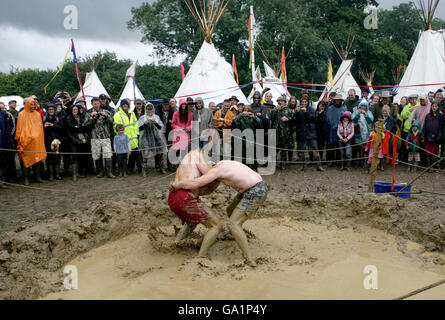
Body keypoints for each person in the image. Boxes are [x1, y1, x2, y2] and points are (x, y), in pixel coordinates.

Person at [171, 160, 268, 267]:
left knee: (233, 224)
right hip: (255, 187)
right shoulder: (223, 163)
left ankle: (249, 260)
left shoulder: (215, 170)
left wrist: (176, 185)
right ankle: (236, 234)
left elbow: (196, 183)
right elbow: (209, 189)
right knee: (230, 210)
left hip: (255, 190)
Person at [167, 149, 222, 259]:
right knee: (217, 225)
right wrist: (214, 167)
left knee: (192, 222)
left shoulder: (187, 160)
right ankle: (200, 258)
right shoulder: (197, 154)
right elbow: (209, 174)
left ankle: (175, 245)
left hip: (173, 197)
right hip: (184, 197)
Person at [15, 98, 47, 185]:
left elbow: (40, 129)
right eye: (31, 104)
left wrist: (38, 138)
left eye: (34, 104)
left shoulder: (37, 114)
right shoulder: (21, 114)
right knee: (25, 160)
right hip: (26, 142)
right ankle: (26, 179)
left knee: (37, 159)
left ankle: (37, 177)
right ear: (27, 105)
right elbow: (19, 129)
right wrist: (23, 140)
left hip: (37, 142)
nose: (33, 106)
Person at [294, 94, 324, 171]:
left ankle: (319, 166)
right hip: (301, 133)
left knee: (315, 150)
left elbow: (313, 119)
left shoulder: (312, 109)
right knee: (301, 151)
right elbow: (295, 120)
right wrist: (296, 113)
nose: (304, 103)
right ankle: (302, 166)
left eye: (305, 102)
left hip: (311, 133)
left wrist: (306, 112)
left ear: (308, 102)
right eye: (302, 102)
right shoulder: (298, 109)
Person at [89, 97, 115, 179]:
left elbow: (112, 121)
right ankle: (100, 172)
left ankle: (109, 172)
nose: (96, 105)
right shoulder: (89, 112)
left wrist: (106, 116)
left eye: (97, 103)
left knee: (108, 154)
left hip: (105, 136)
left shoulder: (106, 111)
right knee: (97, 155)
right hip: (95, 137)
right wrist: (91, 117)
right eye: (94, 103)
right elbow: (85, 124)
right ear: (92, 104)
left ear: (100, 103)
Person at [139, 103, 167, 175]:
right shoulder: (142, 118)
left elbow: (161, 127)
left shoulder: (156, 117)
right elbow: (139, 128)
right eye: (148, 109)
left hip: (156, 137)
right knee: (145, 153)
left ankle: (161, 168)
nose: (149, 110)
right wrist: (145, 124)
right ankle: (144, 169)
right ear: (146, 110)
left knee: (160, 152)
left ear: (153, 109)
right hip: (146, 137)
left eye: (151, 109)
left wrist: (155, 123)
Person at [64, 104, 91, 181]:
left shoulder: (81, 117)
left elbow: (86, 128)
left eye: (76, 109)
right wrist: (79, 127)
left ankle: (81, 172)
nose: (75, 111)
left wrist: (78, 127)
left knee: (82, 156)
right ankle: (74, 174)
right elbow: (71, 129)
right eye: (74, 110)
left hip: (82, 140)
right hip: (73, 140)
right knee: (74, 156)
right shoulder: (68, 118)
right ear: (71, 110)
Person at [114, 99, 141, 175]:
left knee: (133, 154)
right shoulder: (117, 115)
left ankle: (130, 168)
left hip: (133, 137)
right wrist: (121, 135)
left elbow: (136, 123)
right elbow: (116, 126)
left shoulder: (131, 113)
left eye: (126, 105)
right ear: (121, 106)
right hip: (123, 138)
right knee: (122, 156)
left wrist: (136, 132)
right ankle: (122, 170)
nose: (125, 106)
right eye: (124, 105)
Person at [270, 96, 295, 169]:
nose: (280, 102)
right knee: (274, 149)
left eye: (281, 101)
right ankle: (273, 164)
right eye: (278, 101)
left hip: (285, 133)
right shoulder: (274, 109)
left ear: (285, 102)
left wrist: (288, 119)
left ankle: (282, 164)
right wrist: (275, 110)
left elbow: (294, 120)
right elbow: (270, 117)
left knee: (284, 149)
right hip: (276, 133)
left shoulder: (289, 110)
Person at [323, 93, 346, 165]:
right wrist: (326, 131)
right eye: (336, 100)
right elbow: (326, 120)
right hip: (331, 130)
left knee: (340, 145)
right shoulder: (329, 109)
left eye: (339, 100)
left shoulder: (344, 108)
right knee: (330, 145)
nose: (338, 101)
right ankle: (330, 160)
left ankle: (338, 161)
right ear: (334, 100)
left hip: (341, 130)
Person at [43, 104, 64, 181]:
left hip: (57, 140)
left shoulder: (58, 118)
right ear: (47, 111)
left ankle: (57, 174)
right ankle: (51, 175)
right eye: (49, 109)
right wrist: (45, 127)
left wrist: (52, 125)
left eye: (52, 109)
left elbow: (61, 128)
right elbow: (42, 130)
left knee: (57, 158)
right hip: (48, 141)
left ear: (54, 110)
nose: (51, 111)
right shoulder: (44, 119)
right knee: (49, 158)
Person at [422, 102, 444, 171]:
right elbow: (424, 126)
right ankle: (428, 167)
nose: (434, 107)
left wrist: (438, 137)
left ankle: (433, 167)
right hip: (428, 137)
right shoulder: (428, 116)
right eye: (433, 106)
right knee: (428, 152)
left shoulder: (441, 116)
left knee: (434, 152)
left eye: (436, 106)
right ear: (431, 107)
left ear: (438, 107)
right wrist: (423, 136)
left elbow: (441, 128)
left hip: (436, 138)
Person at [352, 100, 374, 168]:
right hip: (358, 132)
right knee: (358, 148)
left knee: (365, 149)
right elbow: (353, 120)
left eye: (365, 106)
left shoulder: (369, 112)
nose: (363, 107)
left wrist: (366, 115)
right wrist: (358, 115)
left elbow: (371, 120)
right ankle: (358, 162)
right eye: (362, 106)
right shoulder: (356, 112)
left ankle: (365, 162)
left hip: (367, 132)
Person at [0, 108, 13, 188]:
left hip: (2, 143)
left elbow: (7, 128)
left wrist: (10, 140)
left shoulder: (3, 114)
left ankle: (1, 181)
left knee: (2, 162)